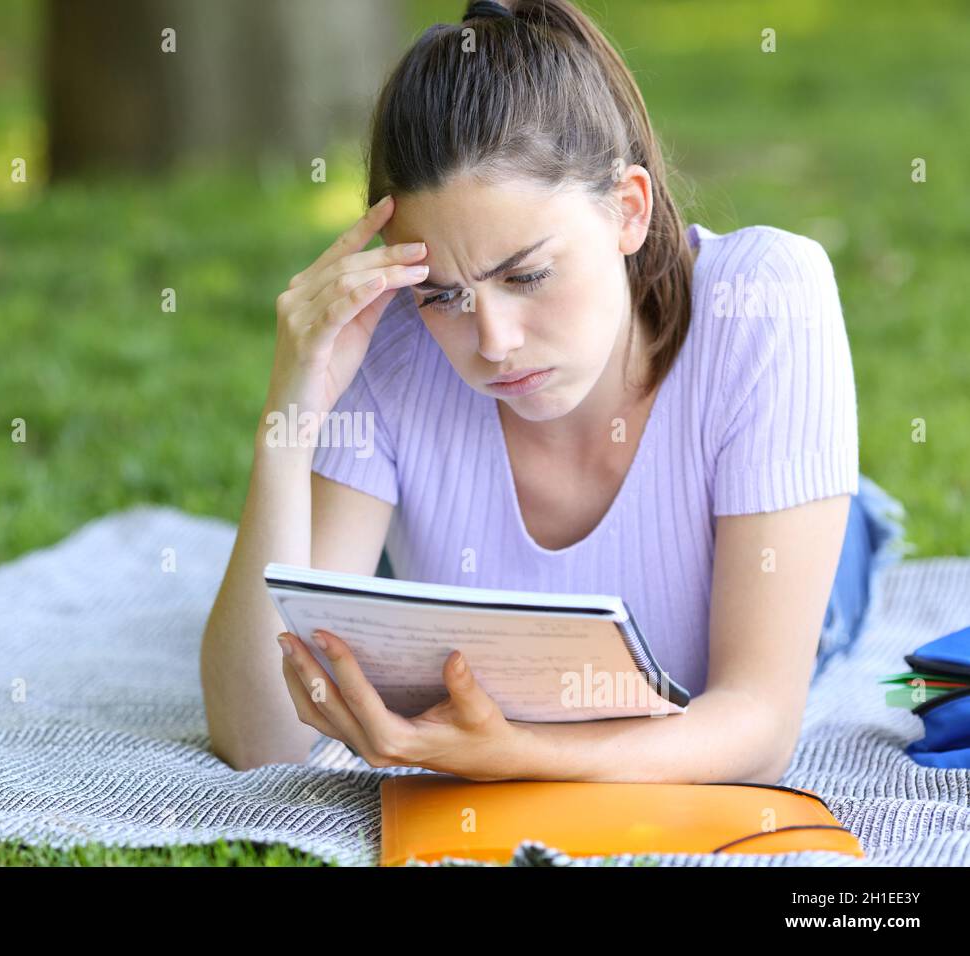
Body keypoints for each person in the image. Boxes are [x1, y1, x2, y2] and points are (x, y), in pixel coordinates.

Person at [199, 0, 909, 782]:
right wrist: (291, 416)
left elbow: (759, 724)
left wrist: (517, 757)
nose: (494, 343)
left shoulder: (765, 300)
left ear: (628, 210)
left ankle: (852, 514)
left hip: (757, 524)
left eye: (527, 275)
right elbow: (256, 740)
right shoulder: (388, 336)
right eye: (442, 294)